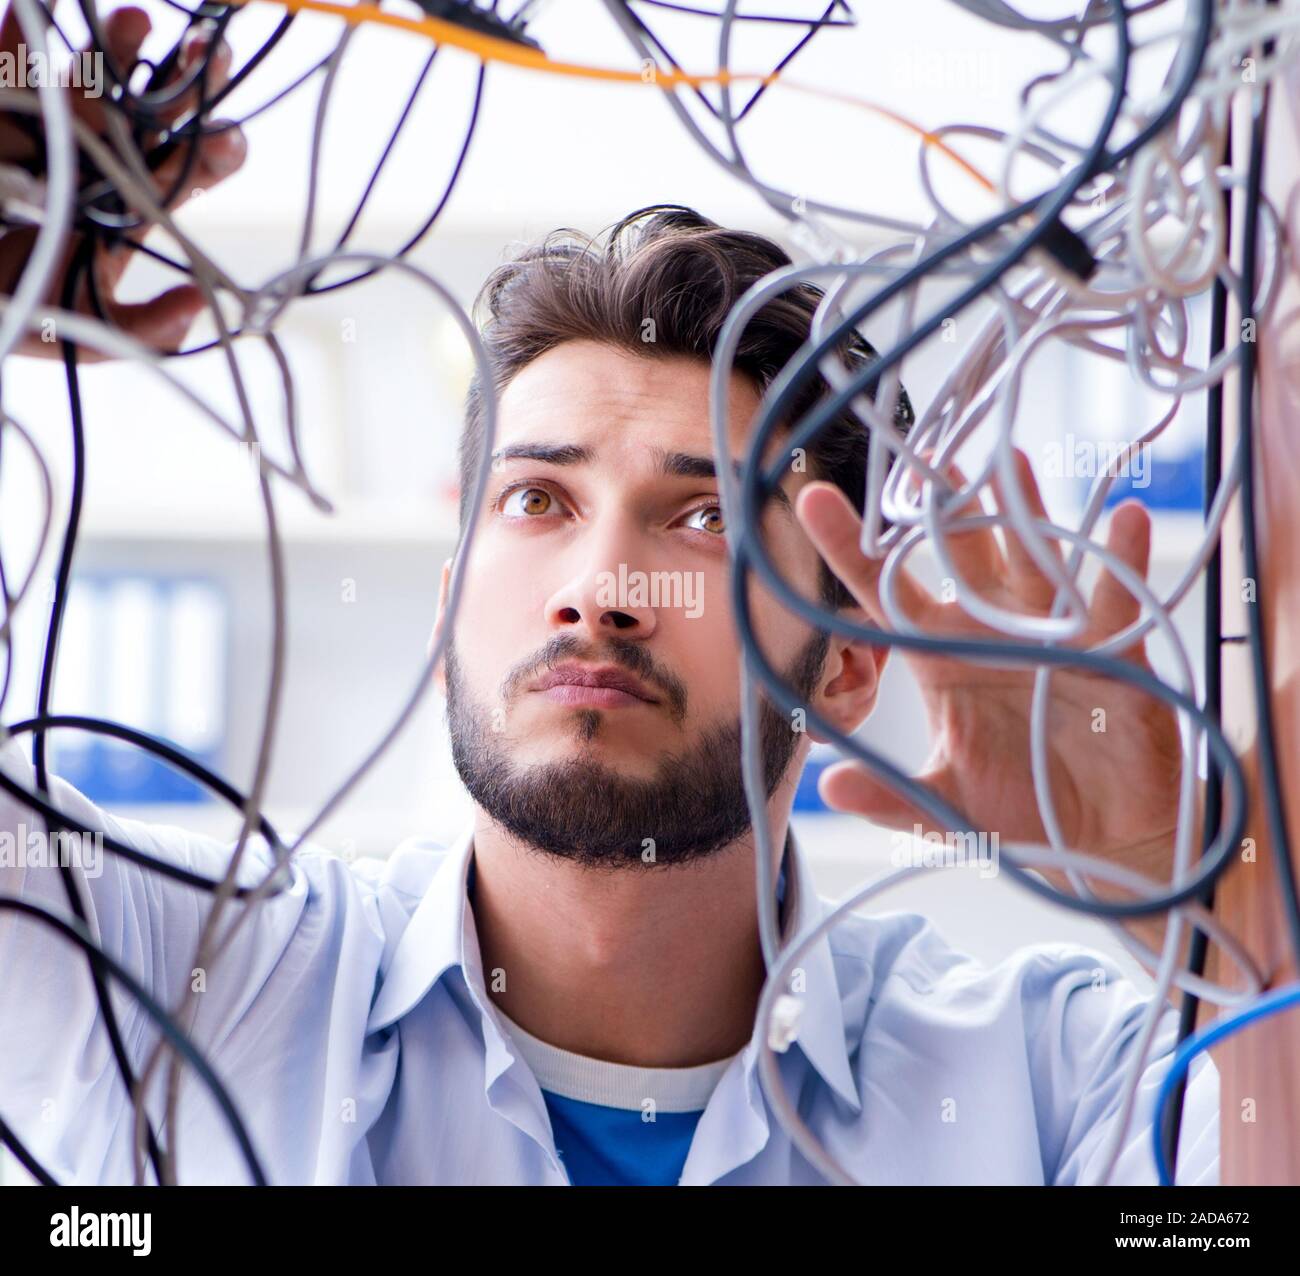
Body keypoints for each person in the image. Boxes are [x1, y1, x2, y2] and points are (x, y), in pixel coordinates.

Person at [0, 6, 1215, 1186]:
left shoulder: (1054, 1078)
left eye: (704, 520)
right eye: (537, 502)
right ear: (444, 607)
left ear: (846, 656)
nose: (600, 589)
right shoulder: (169, 976)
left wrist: (1195, 888)